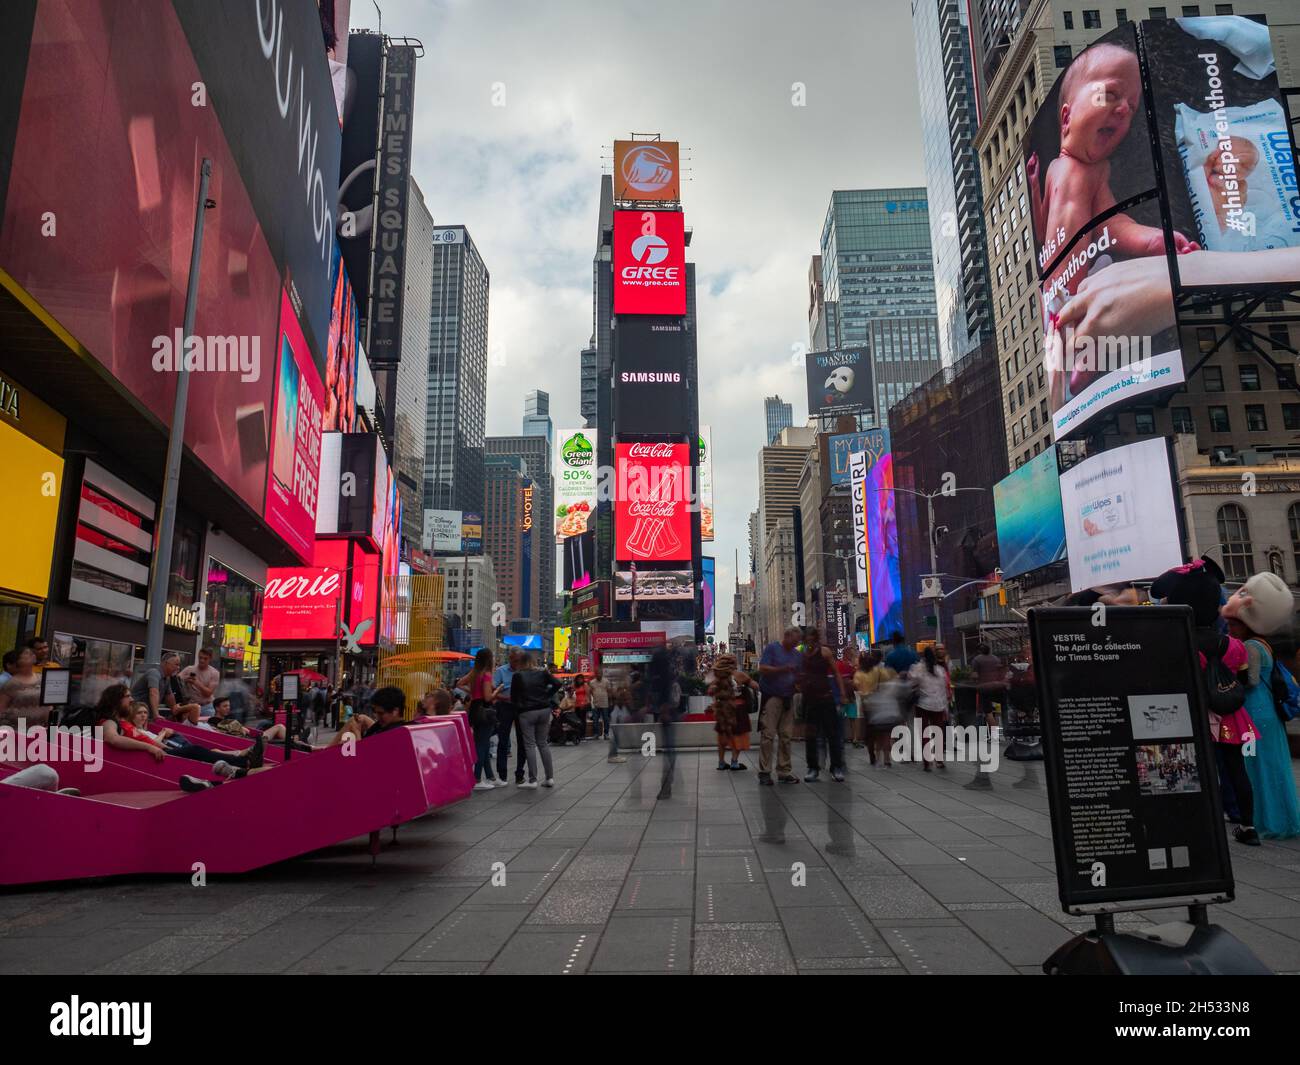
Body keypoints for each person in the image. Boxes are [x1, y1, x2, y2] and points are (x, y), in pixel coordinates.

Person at [1222, 572, 1300, 840]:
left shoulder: (1251, 648)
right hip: (1267, 716)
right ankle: (1282, 817)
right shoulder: (1265, 644)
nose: (1230, 630)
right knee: (1274, 766)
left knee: (1257, 768)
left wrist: (1231, 678)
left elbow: (1251, 681)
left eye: (1234, 625)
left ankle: (1265, 820)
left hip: (1253, 717)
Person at [798, 628, 849, 782]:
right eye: (807, 637)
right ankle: (813, 768)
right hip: (809, 699)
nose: (810, 640)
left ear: (816, 638)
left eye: (812, 637)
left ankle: (836, 767)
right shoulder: (801, 653)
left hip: (826, 697)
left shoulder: (825, 652)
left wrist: (842, 693)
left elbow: (836, 673)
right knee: (810, 735)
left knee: (832, 734)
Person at [757, 627, 803, 786]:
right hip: (772, 697)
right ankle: (764, 771)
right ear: (787, 635)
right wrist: (782, 669)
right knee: (768, 734)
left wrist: (799, 684)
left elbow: (800, 676)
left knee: (786, 736)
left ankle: (784, 770)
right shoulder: (772, 649)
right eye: (795, 640)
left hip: (788, 697)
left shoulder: (797, 655)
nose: (797, 644)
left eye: (799, 642)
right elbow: (762, 668)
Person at [511, 655, 561, 789]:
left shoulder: (518, 676)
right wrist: (547, 695)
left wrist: (518, 709)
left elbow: (513, 697)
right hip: (544, 709)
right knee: (543, 743)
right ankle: (549, 778)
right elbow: (558, 684)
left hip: (526, 712)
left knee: (529, 745)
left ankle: (533, 779)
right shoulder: (543, 673)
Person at [709, 653, 757, 771]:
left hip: (723, 710)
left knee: (722, 737)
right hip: (738, 710)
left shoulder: (718, 677)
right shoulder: (740, 675)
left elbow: (710, 691)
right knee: (739, 736)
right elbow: (755, 686)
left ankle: (721, 763)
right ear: (734, 664)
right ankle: (734, 762)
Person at [646, 645, 682, 799]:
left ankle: (667, 785)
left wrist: (664, 708)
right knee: (669, 747)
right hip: (664, 710)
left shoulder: (661, 668)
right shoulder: (665, 668)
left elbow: (662, 687)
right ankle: (670, 780)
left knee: (669, 747)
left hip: (665, 711)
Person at [463, 650, 501, 790]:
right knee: (482, 745)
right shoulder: (486, 675)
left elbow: (459, 684)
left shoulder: (474, 673)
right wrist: (498, 690)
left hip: (474, 708)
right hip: (485, 711)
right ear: (489, 659)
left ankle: (489, 776)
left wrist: (472, 693)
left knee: (482, 743)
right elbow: (488, 698)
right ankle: (477, 778)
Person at [909, 646, 950, 771]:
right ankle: (939, 760)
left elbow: (912, 683)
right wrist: (945, 708)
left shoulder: (918, 669)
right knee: (938, 732)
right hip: (938, 705)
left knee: (925, 733)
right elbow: (944, 690)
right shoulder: (940, 671)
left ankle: (927, 762)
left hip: (922, 705)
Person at [130, 653, 200, 722]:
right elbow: (153, 693)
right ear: (166, 663)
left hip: (145, 715)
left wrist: (176, 709)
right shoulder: (154, 673)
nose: (178, 668)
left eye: (179, 665)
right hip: (135, 714)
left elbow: (169, 696)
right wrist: (156, 715)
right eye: (176, 664)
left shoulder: (167, 678)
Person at [492, 649, 527, 784]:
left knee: (522, 740)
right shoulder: (501, 671)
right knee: (503, 740)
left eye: (517, 660)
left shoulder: (524, 671)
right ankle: (502, 774)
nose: (515, 663)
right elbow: (493, 691)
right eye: (513, 660)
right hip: (505, 706)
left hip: (520, 707)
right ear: (509, 658)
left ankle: (520, 773)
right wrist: (505, 697)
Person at [0, 647, 51, 729]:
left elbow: (49, 704)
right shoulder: (11, 684)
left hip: (39, 729)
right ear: (18, 661)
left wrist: (50, 723)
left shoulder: (42, 679)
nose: (31, 655)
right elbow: (1, 709)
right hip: (15, 730)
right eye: (26, 653)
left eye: (31, 653)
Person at [970, 643, 1008, 728]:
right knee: (1004, 709)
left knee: (988, 713)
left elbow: (975, 675)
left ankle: (995, 737)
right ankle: (1006, 729)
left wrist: (973, 679)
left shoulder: (977, 660)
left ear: (979, 651)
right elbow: (1001, 673)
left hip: (985, 689)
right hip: (998, 688)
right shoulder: (996, 658)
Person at [178, 647, 220, 717]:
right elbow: (176, 680)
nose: (202, 660)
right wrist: (185, 679)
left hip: (206, 707)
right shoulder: (189, 669)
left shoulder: (214, 673)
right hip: (191, 705)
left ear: (210, 658)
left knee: (206, 727)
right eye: (200, 657)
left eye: (205, 658)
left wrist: (196, 682)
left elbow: (208, 693)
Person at [589, 673, 612, 742]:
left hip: (605, 703)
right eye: (597, 674)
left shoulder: (606, 681)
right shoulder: (592, 682)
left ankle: (606, 733)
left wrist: (610, 701)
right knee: (595, 719)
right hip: (596, 703)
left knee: (606, 719)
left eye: (600, 674)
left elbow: (609, 691)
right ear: (596, 675)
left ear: (602, 674)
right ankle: (596, 734)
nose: (598, 675)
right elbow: (590, 692)